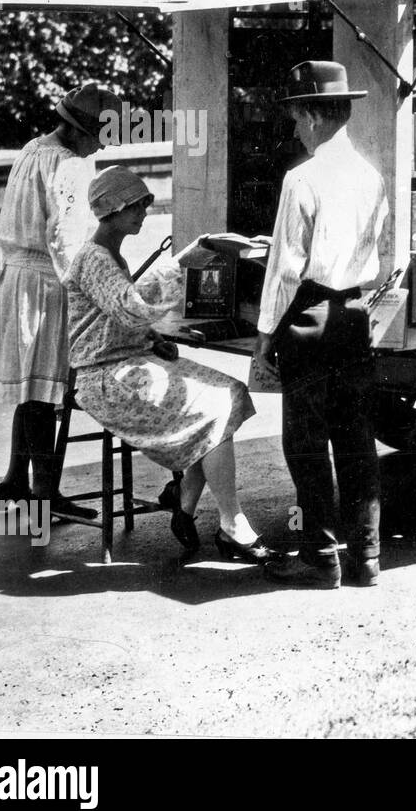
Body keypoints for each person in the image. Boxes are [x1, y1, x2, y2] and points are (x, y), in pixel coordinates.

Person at [64, 166, 272, 561]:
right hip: (106, 377)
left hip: (132, 362)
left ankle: (186, 506)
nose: (143, 214)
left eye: (144, 205)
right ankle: (233, 524)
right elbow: (130, 307)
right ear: (111, 210)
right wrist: (184, 264)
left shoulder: (109, 255)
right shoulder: (93, 259)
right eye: (135, 207)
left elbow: (111, 318)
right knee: (209, 408)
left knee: (230, 392)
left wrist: (154, 339)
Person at [254, 61, 389, 588]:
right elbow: (376, 247)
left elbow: (285, 269)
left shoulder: (301, 179)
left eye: (295, 116)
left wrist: (265, 336)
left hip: (308, 317)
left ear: (313, 114)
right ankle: (367, 556)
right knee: (356, 437)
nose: (292, 129)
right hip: (354, 314)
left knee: (306, 442)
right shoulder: (371, 175)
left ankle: (321, 556)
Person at [0, 84, 116, 520]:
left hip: (13, 272)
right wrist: (83, 282)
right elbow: (64, 236)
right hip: (43, 278)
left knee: (31, 385)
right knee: (45, 389)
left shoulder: (33, 148)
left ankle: (15, 480)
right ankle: (45, 492)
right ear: (82, 132)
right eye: (100, 135)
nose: (100, 145)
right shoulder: (70, 164)